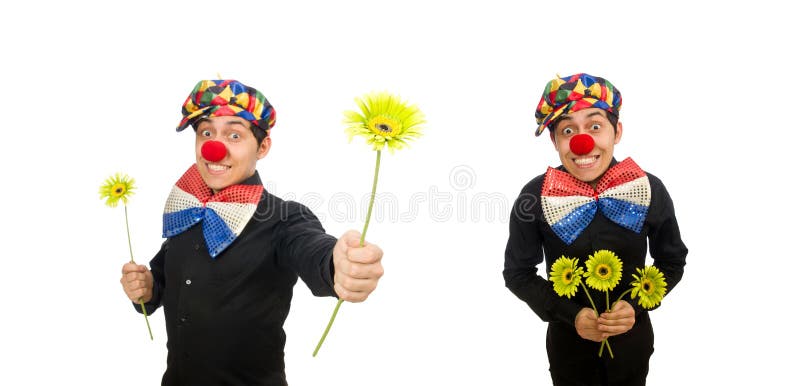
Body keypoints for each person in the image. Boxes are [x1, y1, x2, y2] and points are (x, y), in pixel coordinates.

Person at [119, 79, 384, 386]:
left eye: (234, 134)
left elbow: (312, 249)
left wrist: (338, 264)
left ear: (263, 146)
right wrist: (148, 288)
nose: (214, 148)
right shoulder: (186, 211)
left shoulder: (285, 219)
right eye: (206, 132)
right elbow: (165, 281)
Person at [504, 73, 687, 386]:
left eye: (595, 126)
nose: (581, 141)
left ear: (617, 132)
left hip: (634, 347)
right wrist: (570, 315)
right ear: (555, 141)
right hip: (567, 353)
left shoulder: (649, 189)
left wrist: (637, 304)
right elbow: (517, 273)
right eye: (567, 130)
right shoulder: (534, 196)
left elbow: (672, 261)